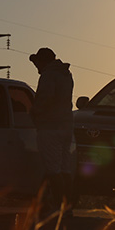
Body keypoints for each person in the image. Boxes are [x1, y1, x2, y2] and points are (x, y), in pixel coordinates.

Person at [29, 47, 75, 213]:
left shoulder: (49, 75)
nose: (36, 67)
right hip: (66, 126)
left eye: (37, 63)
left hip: (50, 127)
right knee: (64, 168)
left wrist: (34, 113)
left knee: (53, 169)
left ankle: (60, 206)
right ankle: (66, 205)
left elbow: (45, 99)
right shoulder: (66, 74)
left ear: (43, 61)